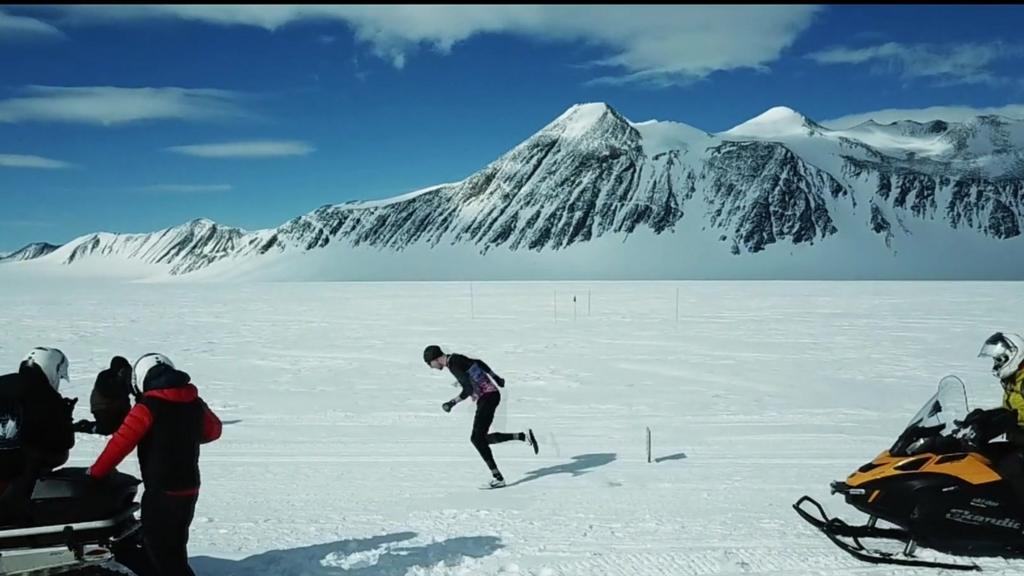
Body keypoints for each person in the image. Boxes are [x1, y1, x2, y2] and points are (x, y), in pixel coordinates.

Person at [88, 353, 222, 576]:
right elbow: (213, 430)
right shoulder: (194, 401)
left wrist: (96, 473)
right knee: (175, 545)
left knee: (160, 551)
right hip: (189, 489)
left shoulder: (148, 406)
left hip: (161, 492)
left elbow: (120, 444)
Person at [424, 345, 537, 488]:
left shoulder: (453, 365)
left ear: (435, 359)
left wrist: (452, 403)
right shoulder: (456, 358)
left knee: (477, 439)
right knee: (480, 439)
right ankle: (522, 436)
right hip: (489, 396)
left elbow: (468, 389)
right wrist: (495, 377)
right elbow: (478, 363)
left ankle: (498, 478)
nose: (430, 367)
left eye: (429, 364)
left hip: (487, 398)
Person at [0, 347, 76, 524]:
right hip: (17, 477)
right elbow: (64, 442)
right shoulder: (47, 395)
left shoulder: (4, 383)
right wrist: (65, 417)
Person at [978, 332, 1024, 508]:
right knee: (983, 458)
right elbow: (1012, 412)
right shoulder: (1013, 380)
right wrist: (982, 417)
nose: (996, 365)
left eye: (999, 360)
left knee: (1011, 466)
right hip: (1018, 439)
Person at [73, 355, 134, 435]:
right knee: (106, 429)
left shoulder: (125, 377)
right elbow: (106, 392)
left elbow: (132, 390)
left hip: (118, 407)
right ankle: (85, 426)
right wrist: (120, 384)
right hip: (102, 407)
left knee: (126, 427)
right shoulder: (104, 376)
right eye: (122, 370)